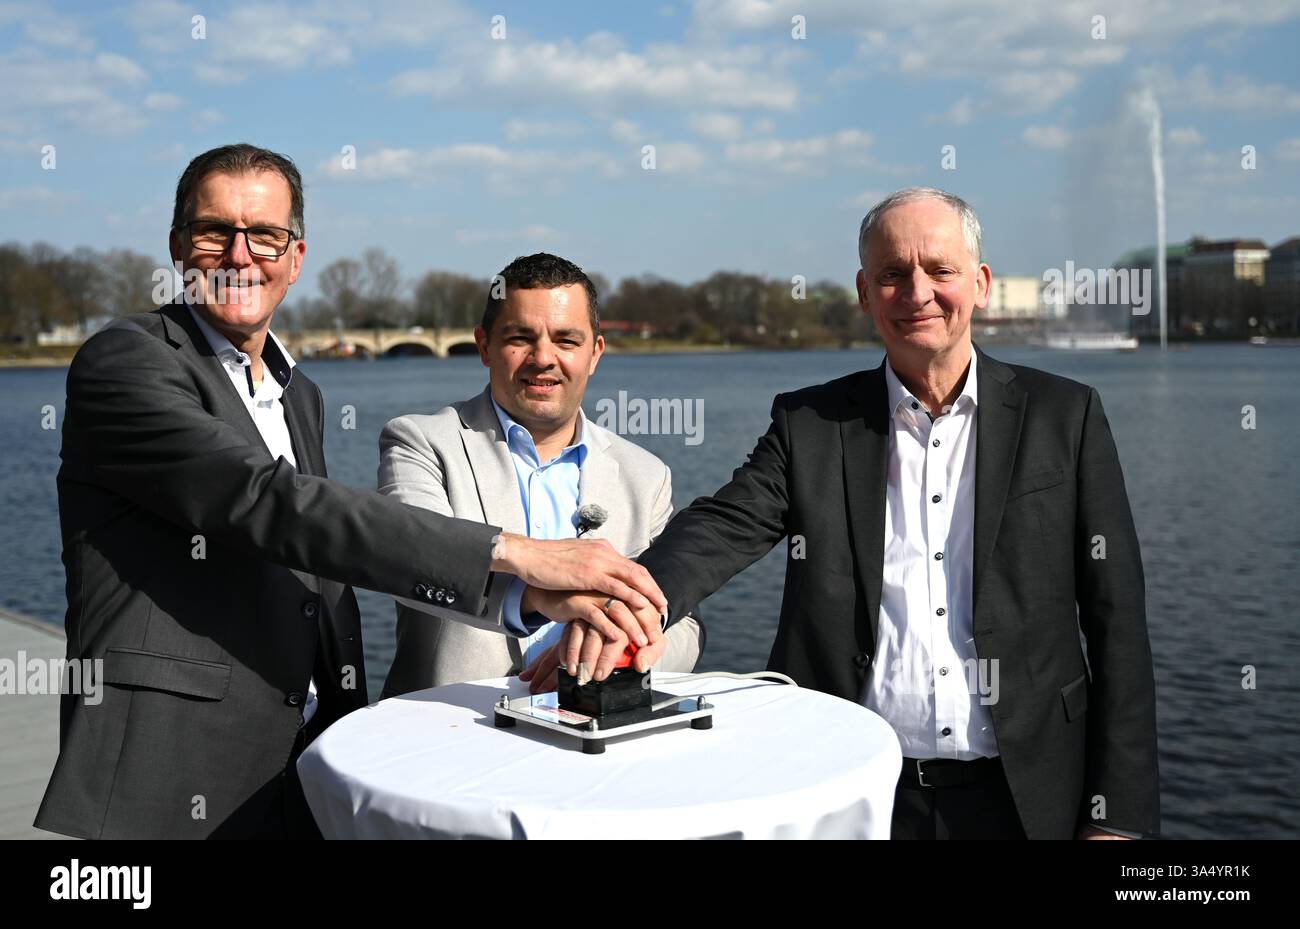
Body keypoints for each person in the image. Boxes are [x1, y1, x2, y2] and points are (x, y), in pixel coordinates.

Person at [35, 145, 665, 840]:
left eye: (265, 234)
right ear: (179, 246)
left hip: (305, 766)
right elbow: (268, 504)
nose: (240, 254)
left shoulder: (299, 394)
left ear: (295, 256)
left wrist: (524, 598)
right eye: (216, 230)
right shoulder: (125, 361)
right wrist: (520, 554)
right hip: (172, 772)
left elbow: (318, 560)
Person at [527, 187, 1160, 840]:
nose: (916, 291)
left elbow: (1118, 626)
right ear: (864, 293)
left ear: (981, 284)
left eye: (938, 270)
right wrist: (628, 605)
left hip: (1028, 796)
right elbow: (720, 527)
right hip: (854, 791)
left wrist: (1118, 817)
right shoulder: (812, 423)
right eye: (892, 275)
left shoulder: (1066, 415)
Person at [379, 253, 702, 696]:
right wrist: (531, 596)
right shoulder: (421, 441)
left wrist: (625, 646)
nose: (543, 358)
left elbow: (685, 625)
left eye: (567, 340)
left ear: (595, 354)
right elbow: (407, 562)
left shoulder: (646, 475)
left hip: (596, 739)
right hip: (453, 739)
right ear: (484, 346)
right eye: (520, 337)